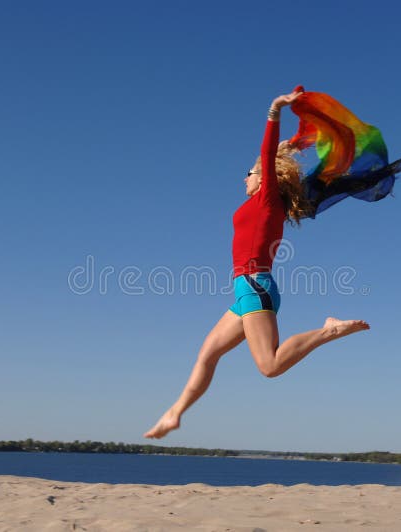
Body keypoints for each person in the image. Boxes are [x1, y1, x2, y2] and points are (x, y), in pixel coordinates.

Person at [143, 88, 370, 439]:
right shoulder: (266, 202)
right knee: (208, 353)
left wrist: (274, 110)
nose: (243, 178)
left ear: (263, 178)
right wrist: (296, 142)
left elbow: (267, 152)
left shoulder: (267, 200)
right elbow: (277, 154)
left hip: (255, 287)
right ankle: (175, 414)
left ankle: (330, 329)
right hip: (246, 290)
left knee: (270, 365)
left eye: (247, 172)